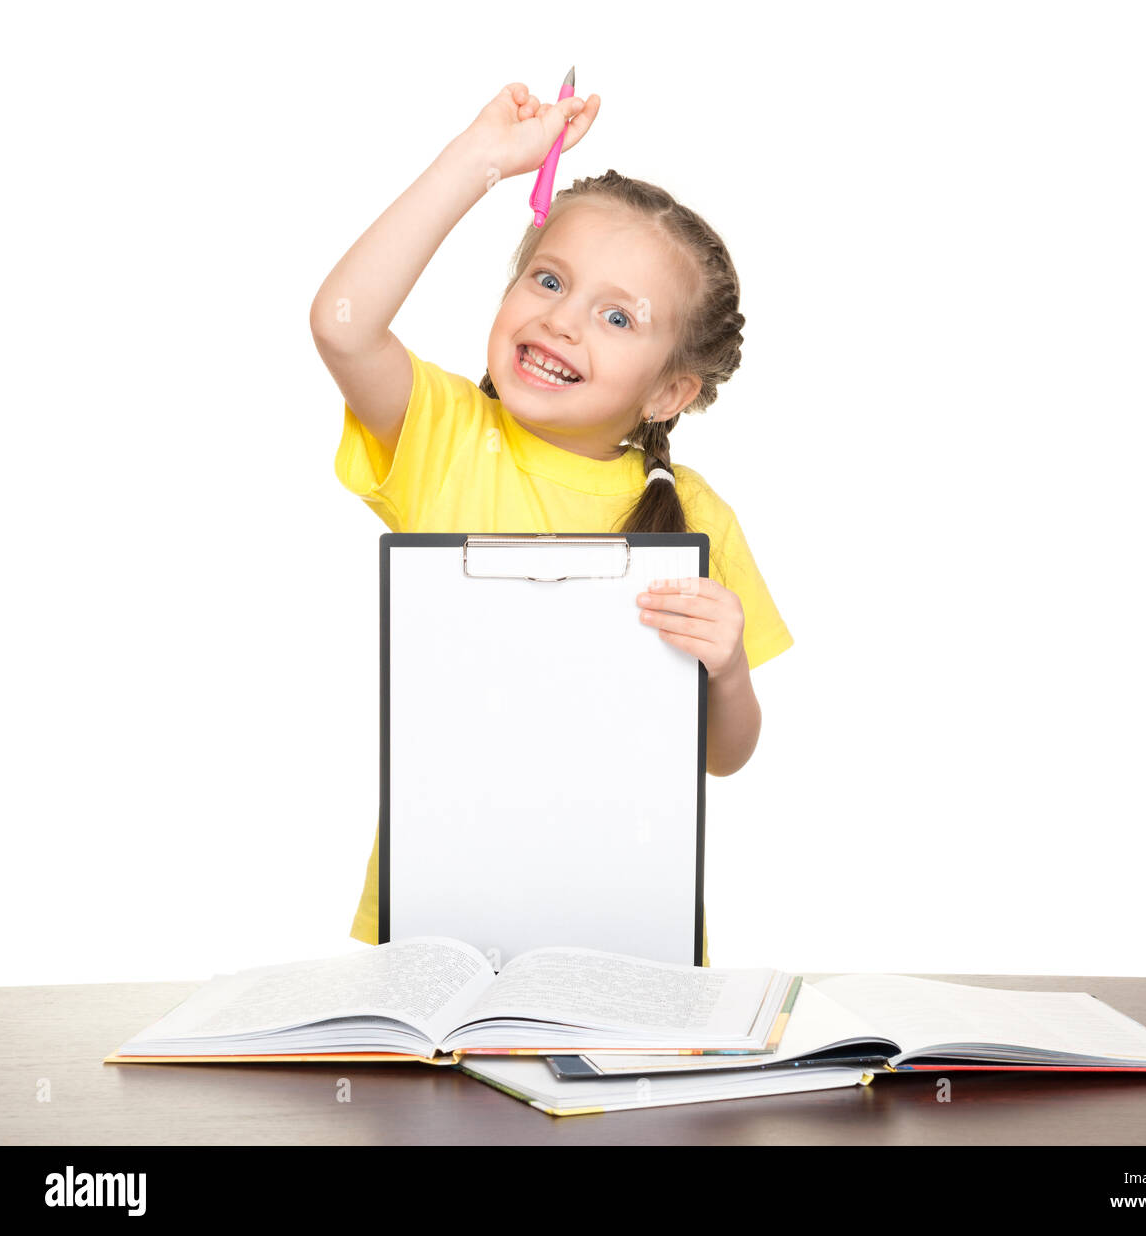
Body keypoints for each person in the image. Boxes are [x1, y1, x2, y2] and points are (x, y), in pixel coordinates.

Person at [311, 82, 793, 967]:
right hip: (435, 933)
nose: (561, 321)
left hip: (628, 940)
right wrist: (480, 162)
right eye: (547, 279)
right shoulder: (447, 437)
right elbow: (343, 327)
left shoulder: (695, 516)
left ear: (669, 392)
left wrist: (726, 668)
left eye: (617, 317)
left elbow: (726, 757)